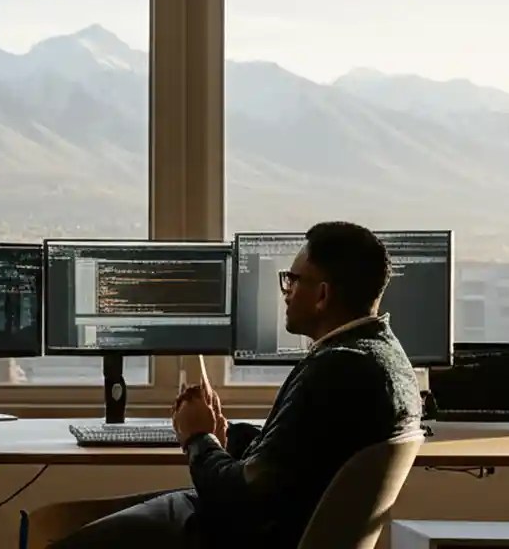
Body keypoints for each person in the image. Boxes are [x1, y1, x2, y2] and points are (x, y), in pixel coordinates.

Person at [52, 221, 423, 549]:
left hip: (243, 533)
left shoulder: (335, 368)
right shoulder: (382, 357)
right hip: (276, 526)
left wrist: (198, 439)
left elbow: (239, 498)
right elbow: (295, 457)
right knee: (78, 520)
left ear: (323, 294)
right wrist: (228, 434)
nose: (287, 290)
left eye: (293, 280)